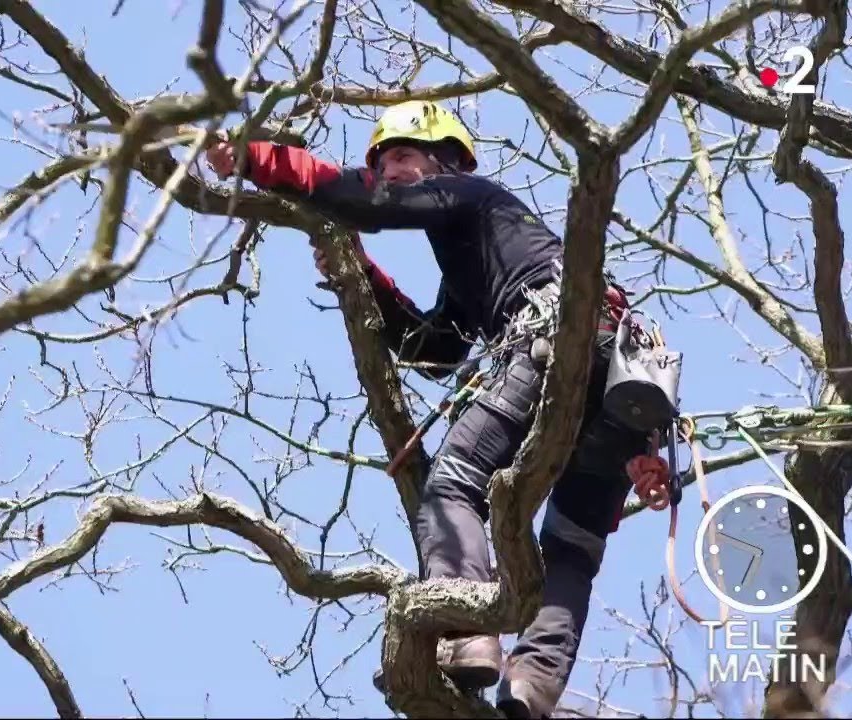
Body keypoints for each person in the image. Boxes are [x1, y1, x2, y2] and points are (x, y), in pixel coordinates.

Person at [205, 100, 651, 719]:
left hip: (562, 342)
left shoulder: (471, 194)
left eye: (403, 156)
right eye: (383, 161)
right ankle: (532, 690)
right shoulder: (479, 255)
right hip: (620, 384)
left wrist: (258, 159)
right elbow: (437, 349)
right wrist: (361, 274)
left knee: (454, 482)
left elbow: (364, 200)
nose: (389, 171)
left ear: (445, 160)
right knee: (573, 546)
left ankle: (468, 629)